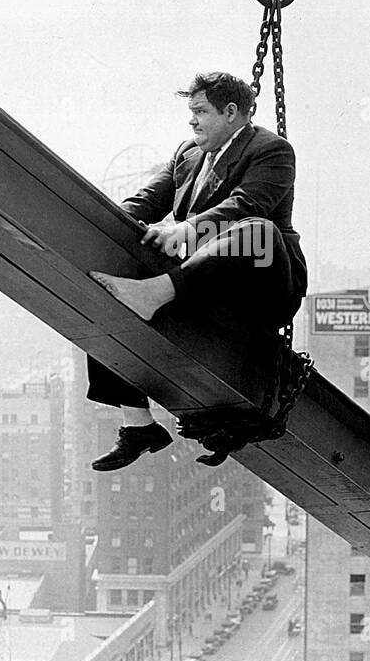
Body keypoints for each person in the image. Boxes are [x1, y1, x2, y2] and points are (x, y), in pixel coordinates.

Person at [84, 71, 308, 471]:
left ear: (232, 112)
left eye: (200, 111)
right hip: (204, 288)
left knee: (257, 230)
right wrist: (96, 226)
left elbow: (246, 205)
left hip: (262, 282)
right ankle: (137, 425)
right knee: (108, 285)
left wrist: (187, 229)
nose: (192, 121)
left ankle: (156, 292)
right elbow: (146, 201)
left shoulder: (272, 151)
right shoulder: (188, 153)